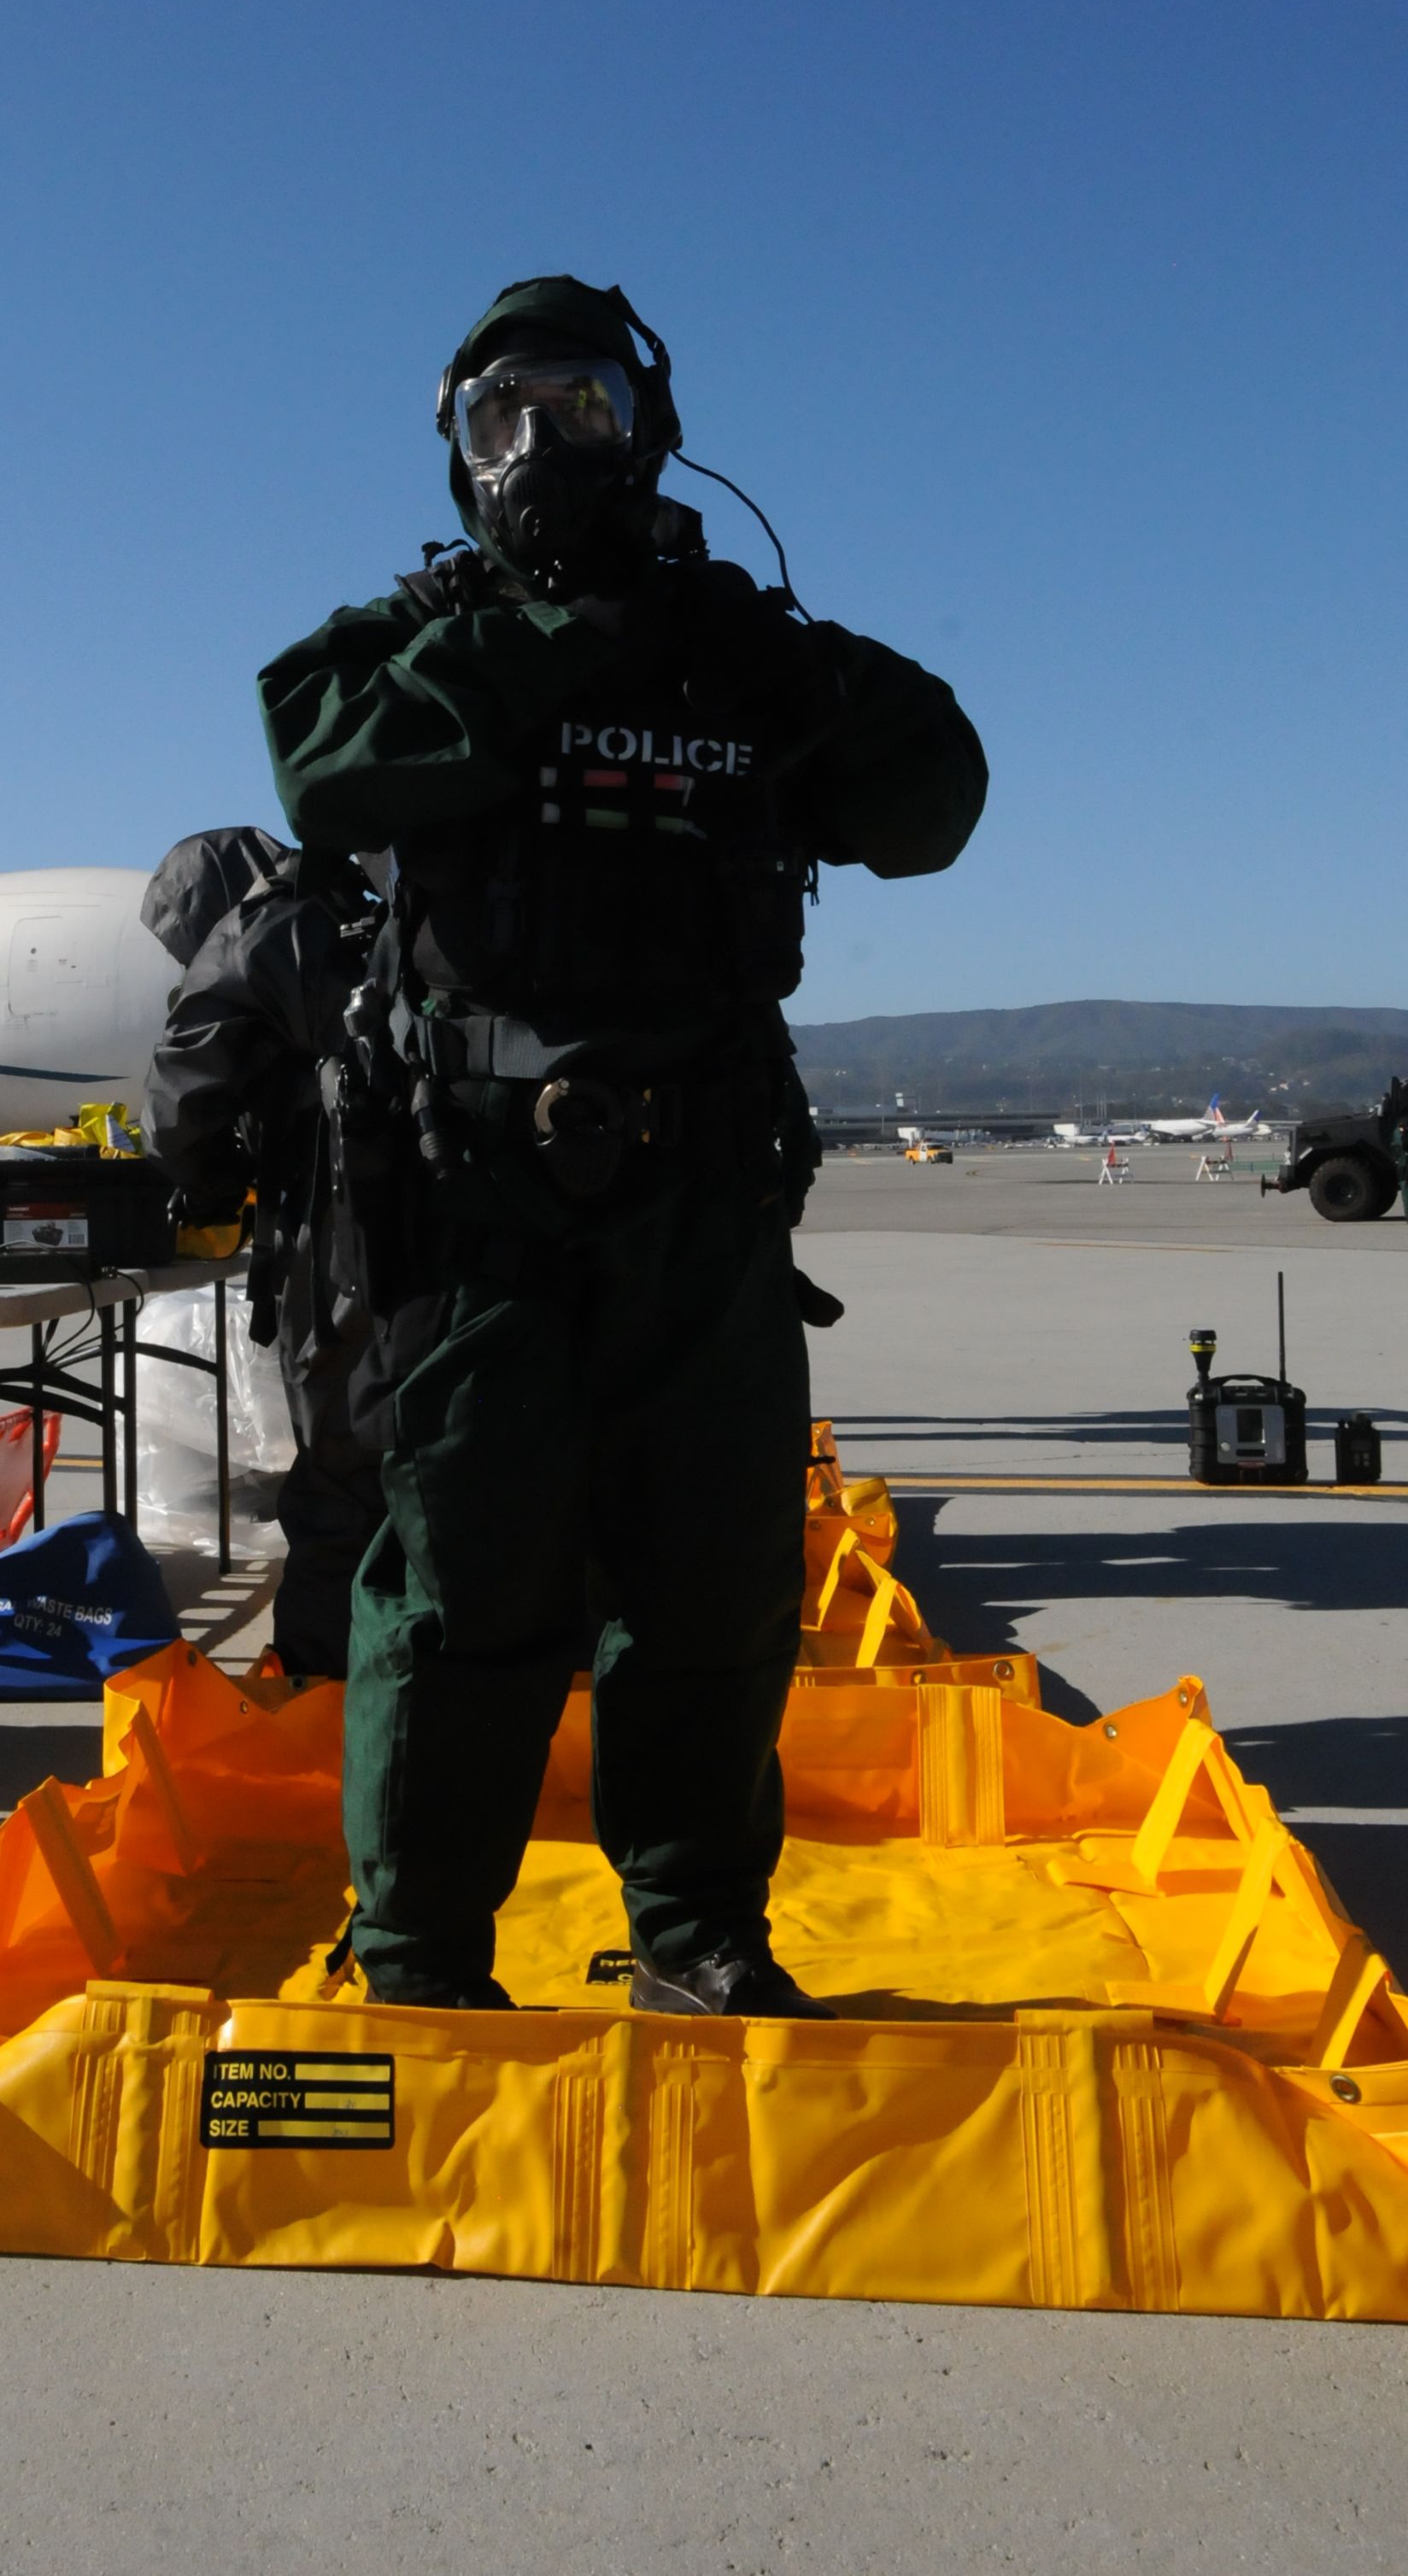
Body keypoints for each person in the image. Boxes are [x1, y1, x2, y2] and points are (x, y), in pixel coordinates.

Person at [257, 274, 987, 2016]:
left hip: (700, 1187)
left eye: (578, 405)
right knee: (461, 1583)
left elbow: (935, 802)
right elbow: (321, 770)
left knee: (712, 1578)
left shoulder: (741, 654)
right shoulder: (413, 643)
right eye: (499, 415)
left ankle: (695, 1932)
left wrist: (767, 664)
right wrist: (554, 632)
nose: (541, 447)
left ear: (648, 423)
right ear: (455, 453)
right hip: (470, 1191)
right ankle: (421, 1952)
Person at [141, 830, 389, 1677]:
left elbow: (180, 1094)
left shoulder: (257, 925)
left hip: (343, 1225)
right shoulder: (363, 907)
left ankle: (320, 1680)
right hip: (442, 1218)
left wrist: (210, 1182)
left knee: (339, 1470)